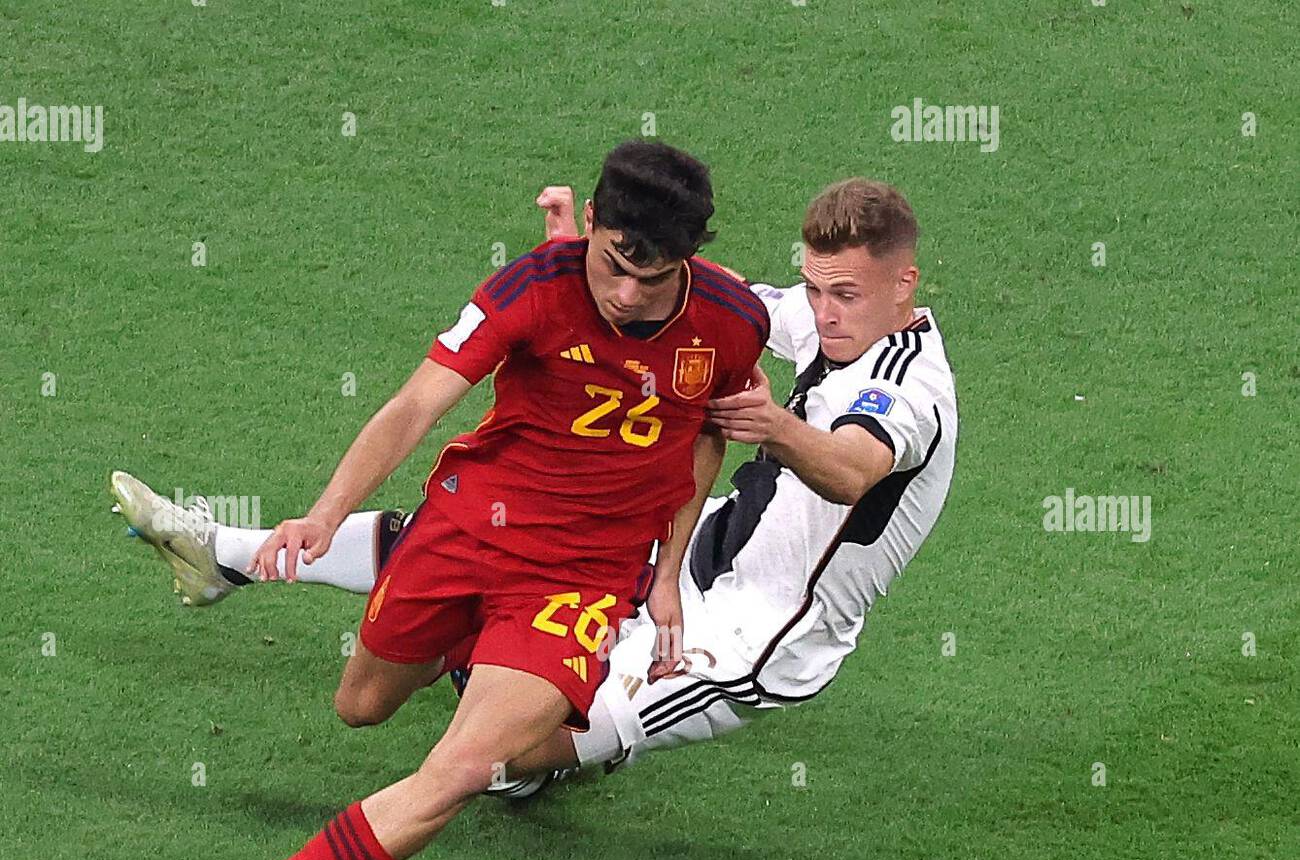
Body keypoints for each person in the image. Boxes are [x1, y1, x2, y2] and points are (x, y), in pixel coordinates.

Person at [128, 140, 768, 860]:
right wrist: (322, 512)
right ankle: (472, 651)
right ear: (591, 223)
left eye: (651, 280)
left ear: (687, 258)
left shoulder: (733, 321)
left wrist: (663, 574)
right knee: (361, 706)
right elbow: (415, 406)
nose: (624, 294)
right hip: (469, 528)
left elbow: (704, 433)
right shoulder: (530, 289)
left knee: (462, 770)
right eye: (611, 265)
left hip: (580, 581)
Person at [116, 176, 955, 805]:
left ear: (904, 285)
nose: (823, 309)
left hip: (758, 633)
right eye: (814, 286)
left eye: (843, 294)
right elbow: (707, 293)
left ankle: (516, 772)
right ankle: (221, 556)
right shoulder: (828, 316)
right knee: (485, 529)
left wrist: (771, 424)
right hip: (712, 544)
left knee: (488, 759)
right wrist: (579, 268)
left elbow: (850, 469)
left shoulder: (909, 389)